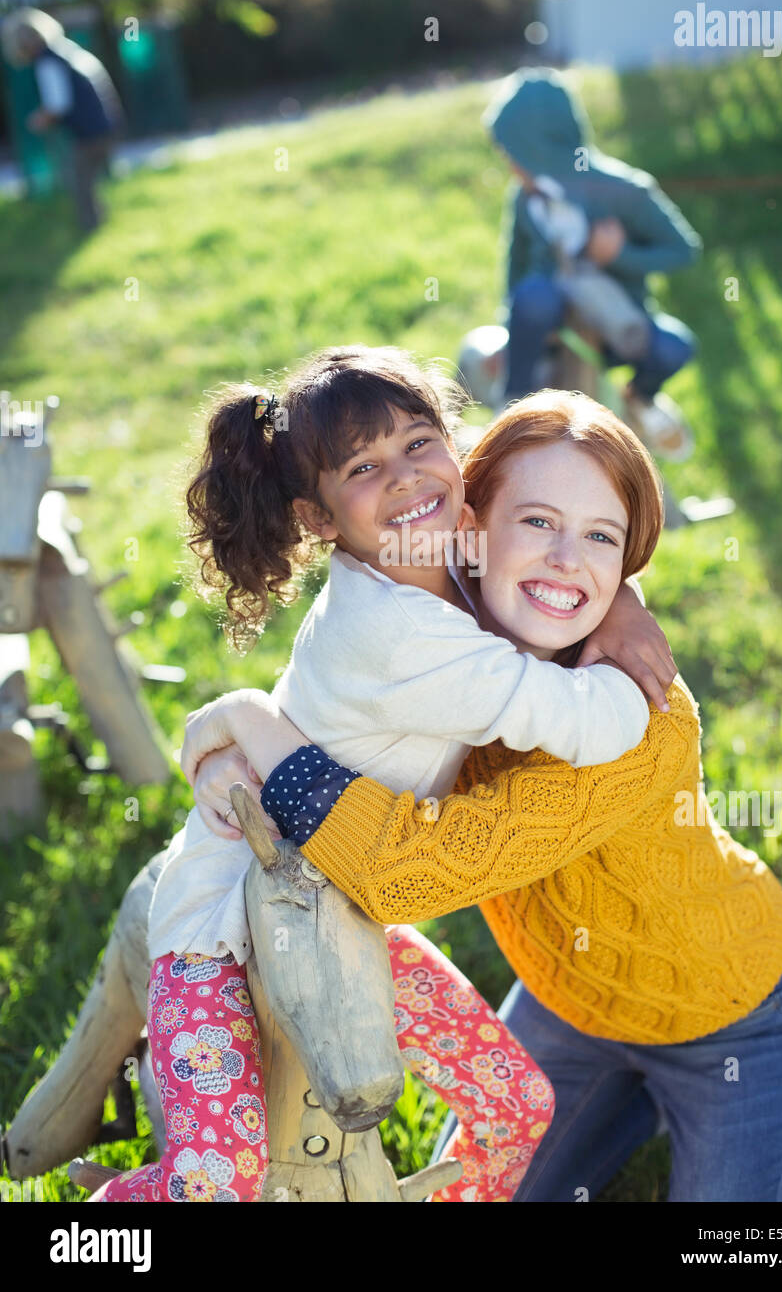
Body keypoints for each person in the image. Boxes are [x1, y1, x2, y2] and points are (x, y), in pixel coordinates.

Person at [186, 390, 782, 1202]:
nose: (566, 562)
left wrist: (249, 721)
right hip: (569, 1000)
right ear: (469, 524)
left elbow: (406, 876)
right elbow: (353, 680)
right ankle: (632, 1105)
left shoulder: (633, 726)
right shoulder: (448, 644)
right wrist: (245, 750)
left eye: (601, 539)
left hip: (733, 1016)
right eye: (536, 522)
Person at [93, 345, 672, 1203]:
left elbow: (552, 548)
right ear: (319, 519)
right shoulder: (391, 632)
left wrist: (619, 593)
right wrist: (629, 669)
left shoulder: (448, 553)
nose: (404, 478)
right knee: (218, 1181)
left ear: (453, 444)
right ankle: (109, 1221)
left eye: (417, 442)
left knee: (514, 1106)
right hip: (220, 929)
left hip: (350, 915)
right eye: (364, 467)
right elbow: (590, 725)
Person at [484, 67, 702, 456]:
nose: (512, 167)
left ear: (543, 149)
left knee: (675, 347)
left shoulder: (622, 190)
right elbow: (514, 267)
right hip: (552, 326)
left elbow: (683, 250)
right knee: (533, 294)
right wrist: (509, 331)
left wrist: (620, 255)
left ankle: (639, 396)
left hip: (618, 324)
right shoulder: (523, 197)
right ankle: (512, 405)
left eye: (516, 155)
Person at [0, 7, 124, 231]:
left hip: (90, 131)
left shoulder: (48, 61)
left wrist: (39, 120)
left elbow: (57, 104)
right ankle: (99, 223)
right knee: (87, 180)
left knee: (79, 182)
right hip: (105, 124)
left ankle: (91, 228)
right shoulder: (66, 49)